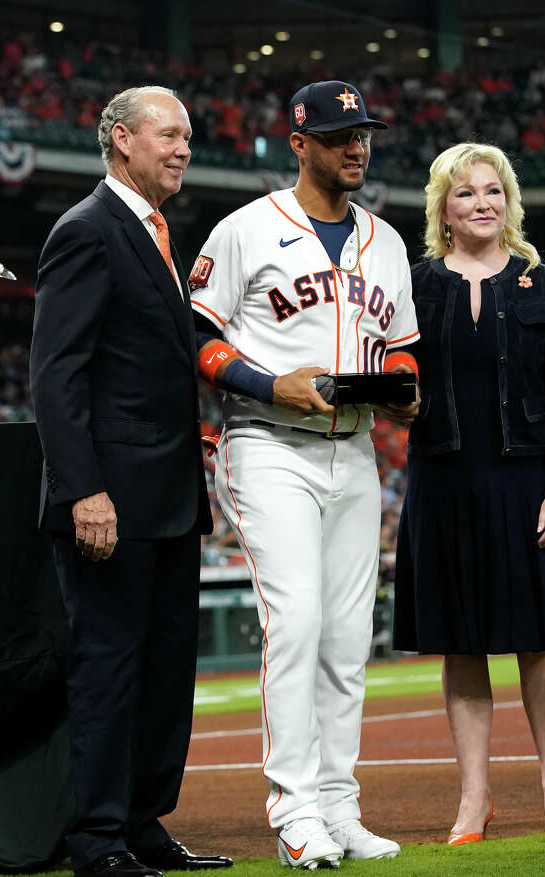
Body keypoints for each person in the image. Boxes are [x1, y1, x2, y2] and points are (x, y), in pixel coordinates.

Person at [187, 80, 418, 869]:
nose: (356, 146)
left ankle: (339, 805)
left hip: (354, 448)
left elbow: (403, 345)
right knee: (298, 624)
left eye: (363, 134)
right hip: (267, 441)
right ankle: (293, 812)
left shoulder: (386, 241)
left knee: (349, 638)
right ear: (300, 143)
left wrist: (406, 390)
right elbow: (197, 338)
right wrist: (264, 382)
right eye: (338, 135)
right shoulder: (246, 229)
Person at [30, 86, 231, 877]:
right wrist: (84, 489)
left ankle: (143, 822)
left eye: (187, 135)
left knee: (163, 669)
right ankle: (98, 838)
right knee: (110, 667)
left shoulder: (153, 233)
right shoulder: (86, 230)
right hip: (110, 500)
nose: (184, 147)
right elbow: (56, 374)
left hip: (172, 498)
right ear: (121, 139)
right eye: (169, 134)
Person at [392, 142, 545, 844]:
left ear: (507, 202)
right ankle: (473, 797)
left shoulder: (541, 283)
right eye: (466, 193)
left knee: (540, 644)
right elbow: (392, 375)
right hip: (442, 481)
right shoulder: (416, 283)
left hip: (526, 483)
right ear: (443, 209)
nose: (482, 202)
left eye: (493, 191)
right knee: (462, 645)